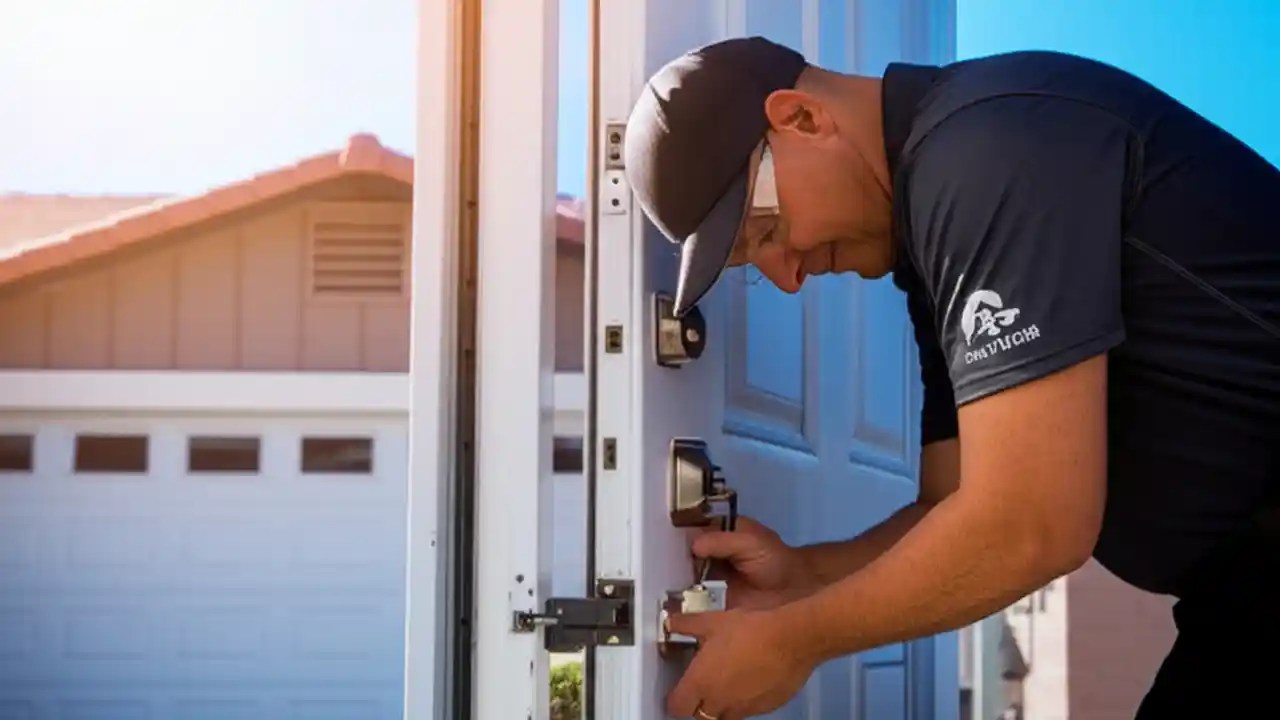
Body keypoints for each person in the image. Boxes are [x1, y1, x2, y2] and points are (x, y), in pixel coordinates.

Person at [622, 36, 1278, 720]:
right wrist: (804, 578)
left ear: (802, 118)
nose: (787, 276)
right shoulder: (932, 229)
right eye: (757, 263)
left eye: (767, 229)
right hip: (1240, 595)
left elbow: (1031, 524)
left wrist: (795, 641)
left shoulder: (987, 148)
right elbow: (957, 499)